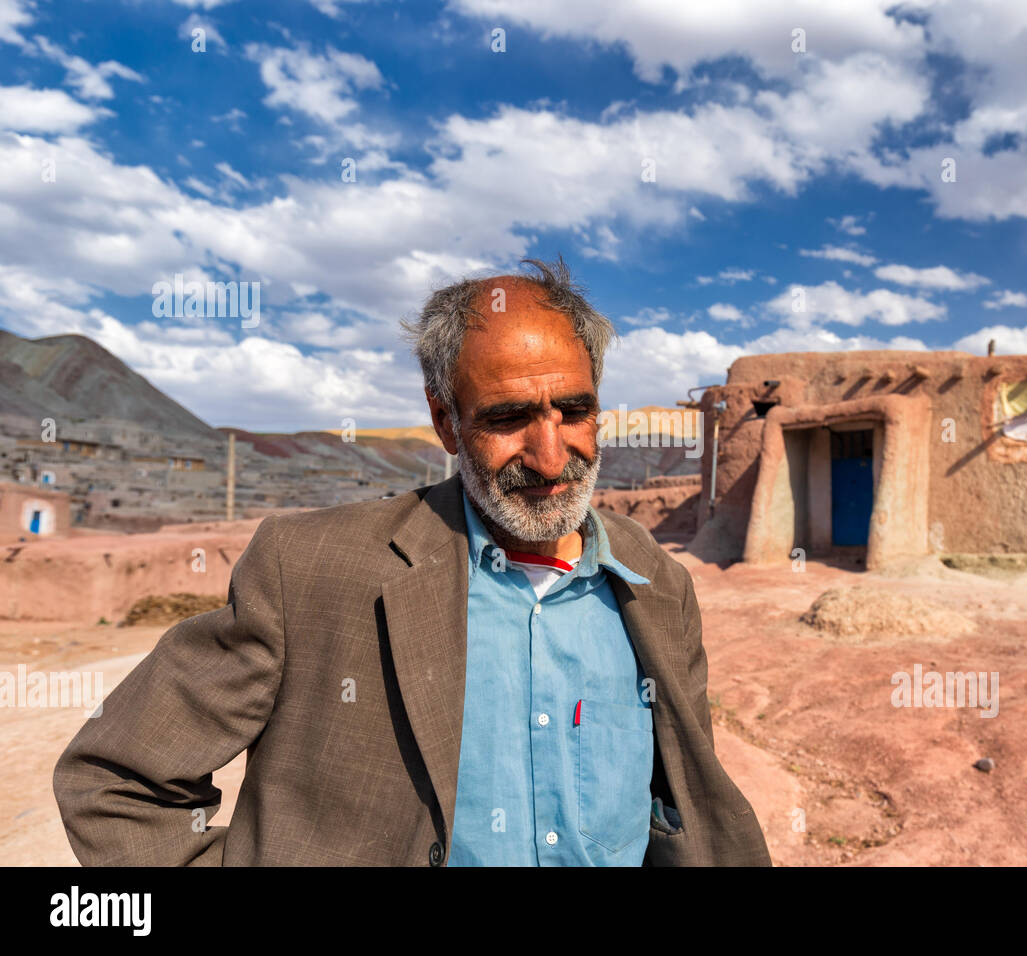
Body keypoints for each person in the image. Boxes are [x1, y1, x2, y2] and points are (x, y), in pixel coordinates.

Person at [53, 256, 771, 867]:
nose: (551, 457)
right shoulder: (309, 570)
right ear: (444, 422)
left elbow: (680, 802)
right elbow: (116, 782)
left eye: (574, 411)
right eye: (506, 417)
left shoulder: (657, 585)